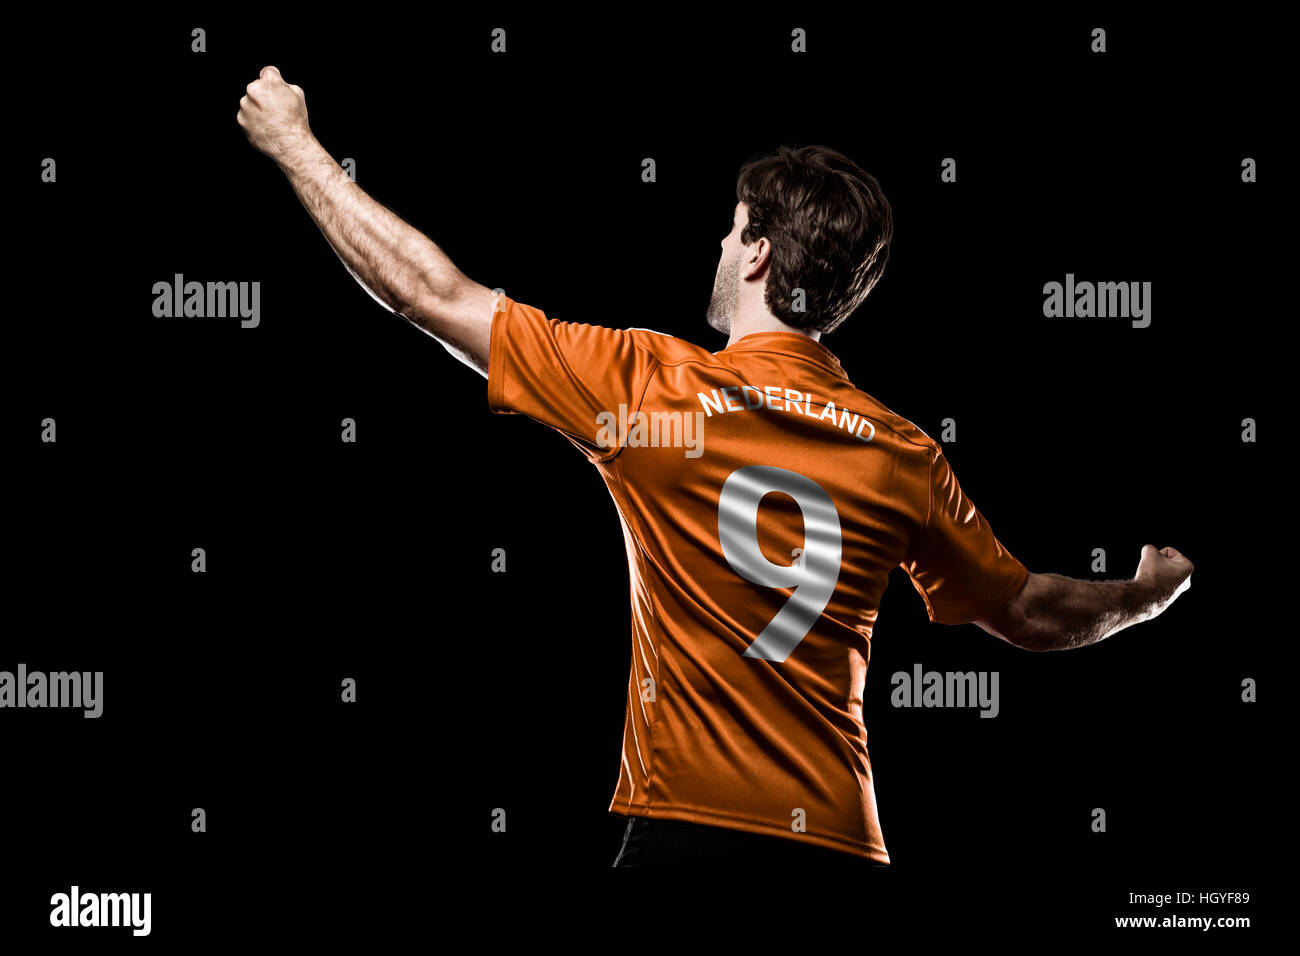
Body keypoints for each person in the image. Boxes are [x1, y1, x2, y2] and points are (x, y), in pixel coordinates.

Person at [237, 66, 1195, 867]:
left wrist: (295, 146)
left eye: (732, 227)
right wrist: (1141, 597)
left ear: (760, 254)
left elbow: (426, 291)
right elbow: (1030, 614)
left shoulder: (651, 387)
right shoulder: (902, 451)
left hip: (687, 835)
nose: (720, 240)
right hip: (840, 849)